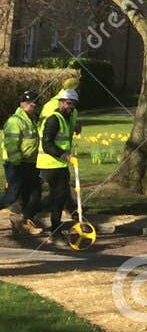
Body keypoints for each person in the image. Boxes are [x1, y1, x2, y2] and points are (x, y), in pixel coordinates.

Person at [35, 89, 80, 241]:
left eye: (73, 104)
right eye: (68, 103)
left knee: (60, 196)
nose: (70, 106)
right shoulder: (54, 119)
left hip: (60, 164)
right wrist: (63, 154)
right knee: (59, 196)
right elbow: (47, 144)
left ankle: (32, 212)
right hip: (50, 164)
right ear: (61, 102)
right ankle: (53, 229)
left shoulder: (66, 118)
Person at [2, 91, 41, 235]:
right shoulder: (15, 121)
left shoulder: (32, 118)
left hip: (30, 163)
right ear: (23, 103)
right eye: (31, 103)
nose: (34, 105)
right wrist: (17, 161)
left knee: (34, 193)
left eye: (36, 103)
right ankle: (21, 221)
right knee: (12, 195)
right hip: (16, 164)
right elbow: (11, 144)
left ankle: (26, 221)